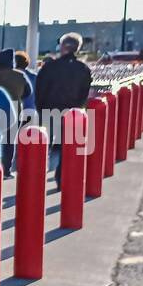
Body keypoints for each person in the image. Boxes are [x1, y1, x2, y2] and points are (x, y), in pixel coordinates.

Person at [34, 32, 92, 190]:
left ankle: (36, 178)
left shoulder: (49, 67)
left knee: (43, 146)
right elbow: (84, 93)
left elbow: (39, 89)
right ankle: (61, 177)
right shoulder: (83, 69)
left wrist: (40, 108)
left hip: (49, 110)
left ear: (62, 47)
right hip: (71, 113)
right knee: (67, 147)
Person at [0, 49, 31, 176]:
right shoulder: (20, 75)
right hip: (15, 109)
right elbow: (27, 92)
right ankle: (6, 169)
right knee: (10, 141)